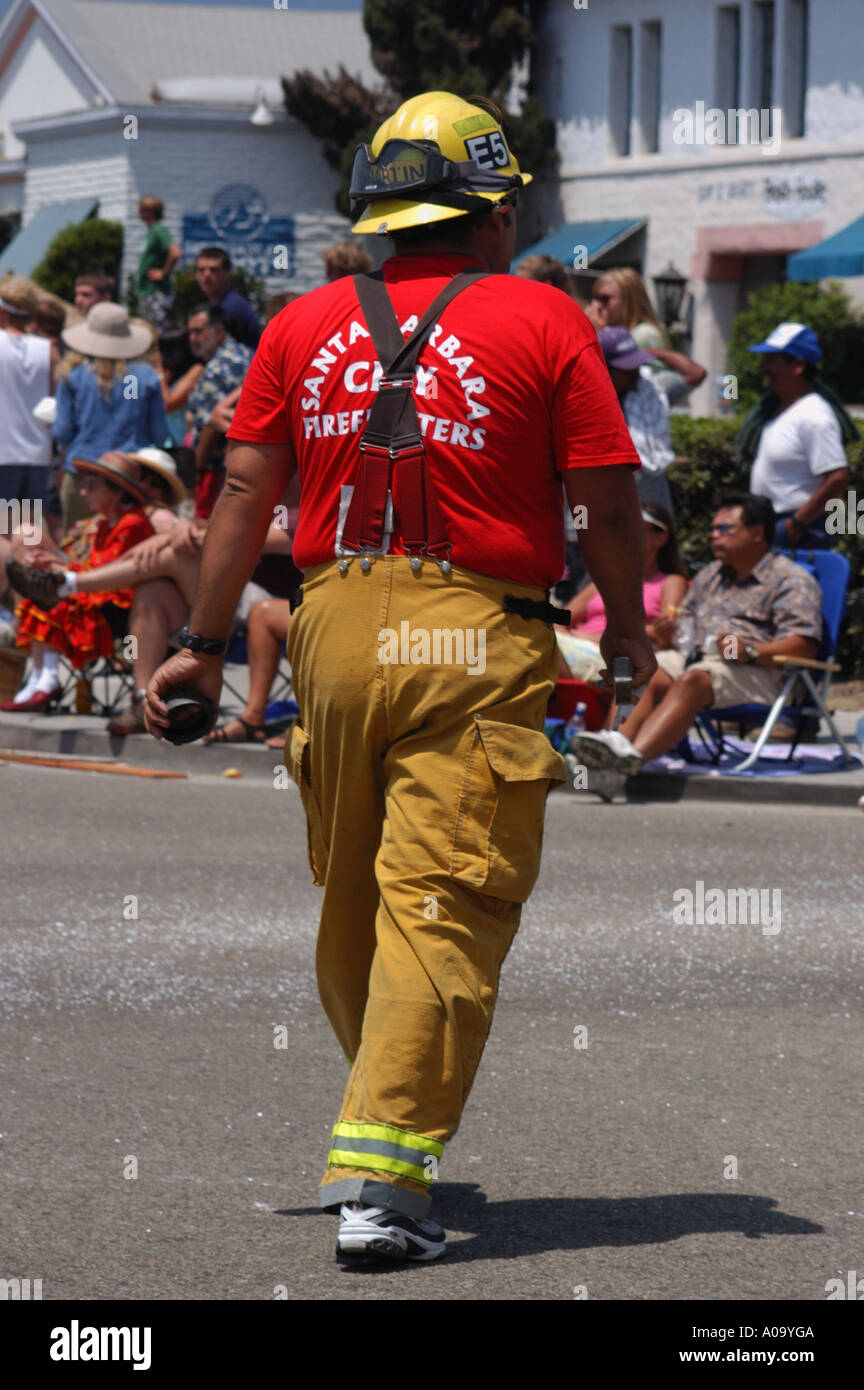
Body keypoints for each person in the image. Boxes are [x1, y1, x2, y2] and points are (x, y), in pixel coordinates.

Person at [141, 89, 655, 1264]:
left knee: (361, 899)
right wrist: (628, 626)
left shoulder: (299, 324)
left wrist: (205, 645)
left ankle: (383, 1117)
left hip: (329, 630)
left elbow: (240, 495)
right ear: (489, 212)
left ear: (381, 211)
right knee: (445, 902)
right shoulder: (545, 317)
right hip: (473, 638)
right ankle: (382, 1181)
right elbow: (609, 500)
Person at [568, 493, 823, 775]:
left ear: (757, 533)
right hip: (697, 657)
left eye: (724, 529)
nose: (713, 535)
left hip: (760, 669)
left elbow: (804, 645)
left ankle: (629, 762)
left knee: (694, 679)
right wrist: (667, 632)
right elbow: (681, 629)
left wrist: (750, 650)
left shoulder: (791, 580)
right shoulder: (711, 575)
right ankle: (614, 742)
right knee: (640, 669)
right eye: (713, 528)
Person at [2, 453, 154, 710]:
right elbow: (93, 569)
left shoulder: (133, 524)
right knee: (38, 581)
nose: (83, 493)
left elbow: (110, 574)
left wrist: (60, 568)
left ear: (117, 491)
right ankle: (40, 675)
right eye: (84, 485)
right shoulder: (106, 524)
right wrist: (55, 565)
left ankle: (47, 677)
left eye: (92, 486)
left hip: (120, 604)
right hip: (96, 590)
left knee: (50, 595)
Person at [53, 304, 169, 531]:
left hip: (82, 474)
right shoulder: (136, 378)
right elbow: (156, 432)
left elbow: (62, 431)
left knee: (78, 548)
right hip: (126, 477)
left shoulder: (74, 375)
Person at [740, 323, 853, 550]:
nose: (764, 368)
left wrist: (797, 522)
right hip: (771, 523)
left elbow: (838, 478)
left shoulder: (814, 415)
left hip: (799, 530)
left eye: (772, 360)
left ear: (799, 365)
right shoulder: (778, 410)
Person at [588, 267, 706, 404]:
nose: (597, 305)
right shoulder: (618, 331)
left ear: (629, 300)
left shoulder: (643, 334)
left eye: (605, 299)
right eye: (595, 298)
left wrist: (598, 335)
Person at [0, 275, 57, 530]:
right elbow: (54, 403)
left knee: (3, 533)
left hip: (4, 453)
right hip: (37, 454)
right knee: (29, 532)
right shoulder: (49, 350)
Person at [598, 326, 676, 514]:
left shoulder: (648, 391)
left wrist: (656, 352)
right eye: (626, 367)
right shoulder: (589, 408)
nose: (635, 372)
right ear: (604, 367)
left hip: (652, 503)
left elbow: (696, 374)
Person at [185, 303, 252, 518]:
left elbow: (210, 426)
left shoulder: (218, 368)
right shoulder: (246, 354)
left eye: (199, 332)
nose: (193, 339)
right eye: (190, 332)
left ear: (219, 331)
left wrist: (196, 471)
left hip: (216, 470)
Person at [194, 247, 260, 349]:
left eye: (214, 270)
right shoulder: (214, 304)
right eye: (201, 270)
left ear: (227, 273)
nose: (206, 275)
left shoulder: (232, 306)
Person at [136, 196, 181, 330]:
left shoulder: (159, 230)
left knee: (156, 332)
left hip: (156, 292)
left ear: (150, 211)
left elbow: (175, 252)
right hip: (147, 291)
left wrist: (164, 273)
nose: (138, 212)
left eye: (141, 209)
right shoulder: (151, 231)